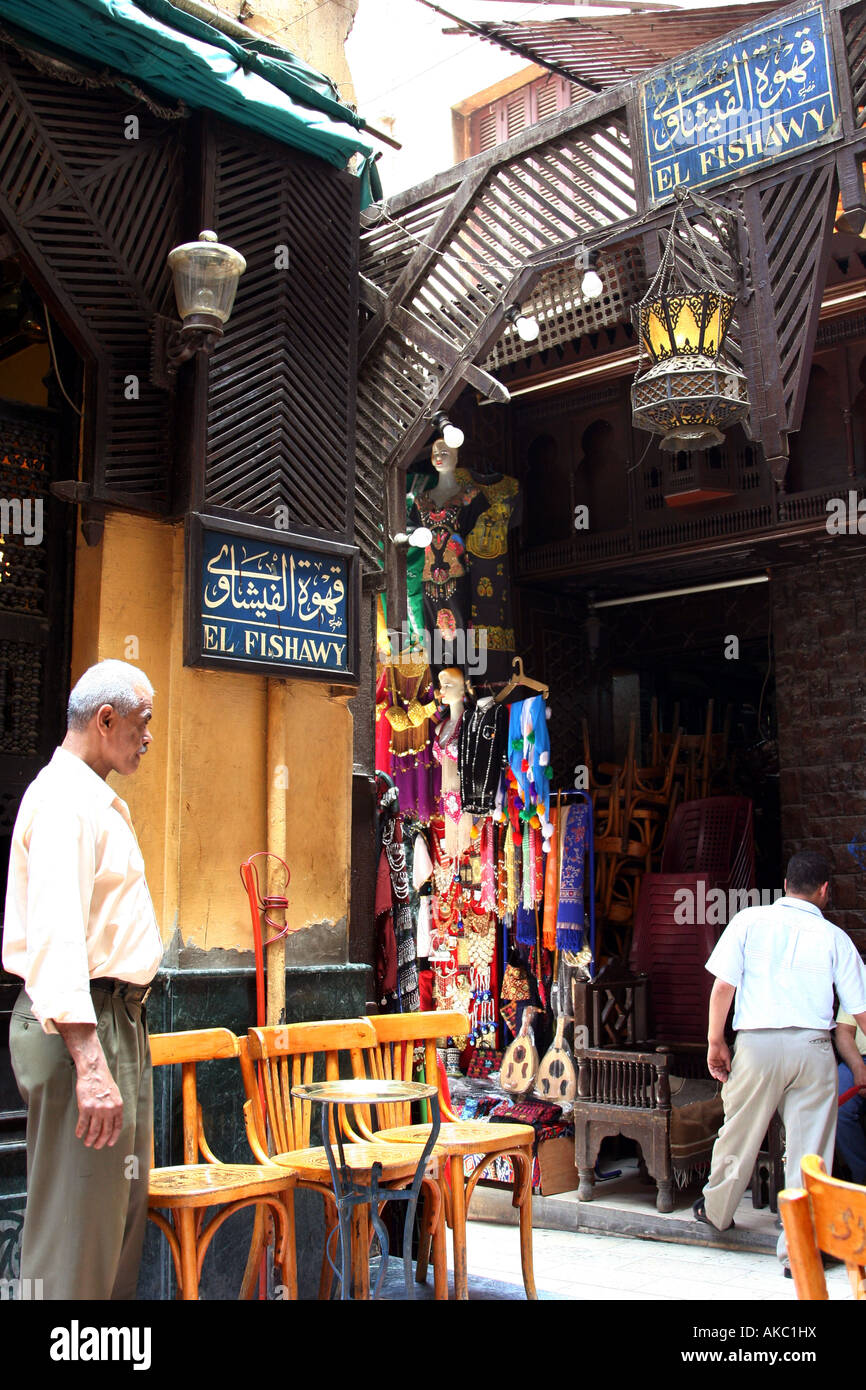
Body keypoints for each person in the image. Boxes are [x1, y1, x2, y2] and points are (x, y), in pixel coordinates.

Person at [3, 659, 162, 1300]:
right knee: (76, 1232)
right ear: (106, 720)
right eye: (142, 723)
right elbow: (57, 935)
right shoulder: (67, 803)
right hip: (83, 1030)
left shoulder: (88, 798)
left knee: (111, 1225)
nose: (148, 737)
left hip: (113, 1021)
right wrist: (91, 1063)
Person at [692, 850, 866, 1269]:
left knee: (739, 1132)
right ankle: (799, 1251)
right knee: (810, 1152)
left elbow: (722, 988)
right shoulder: (836, 938)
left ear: (785, 884)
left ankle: (716, 1213)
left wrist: (717, 1041)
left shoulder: (749, 921)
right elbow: (860, 1013)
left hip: (757, 1045)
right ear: (825, 890)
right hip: (813, 1049)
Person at [834, 1006, 866, 1184]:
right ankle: (862, 1178)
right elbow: (844, 1032)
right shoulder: (860, 980)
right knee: (836, 1102)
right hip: (859, 1059)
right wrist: (858, 1068)